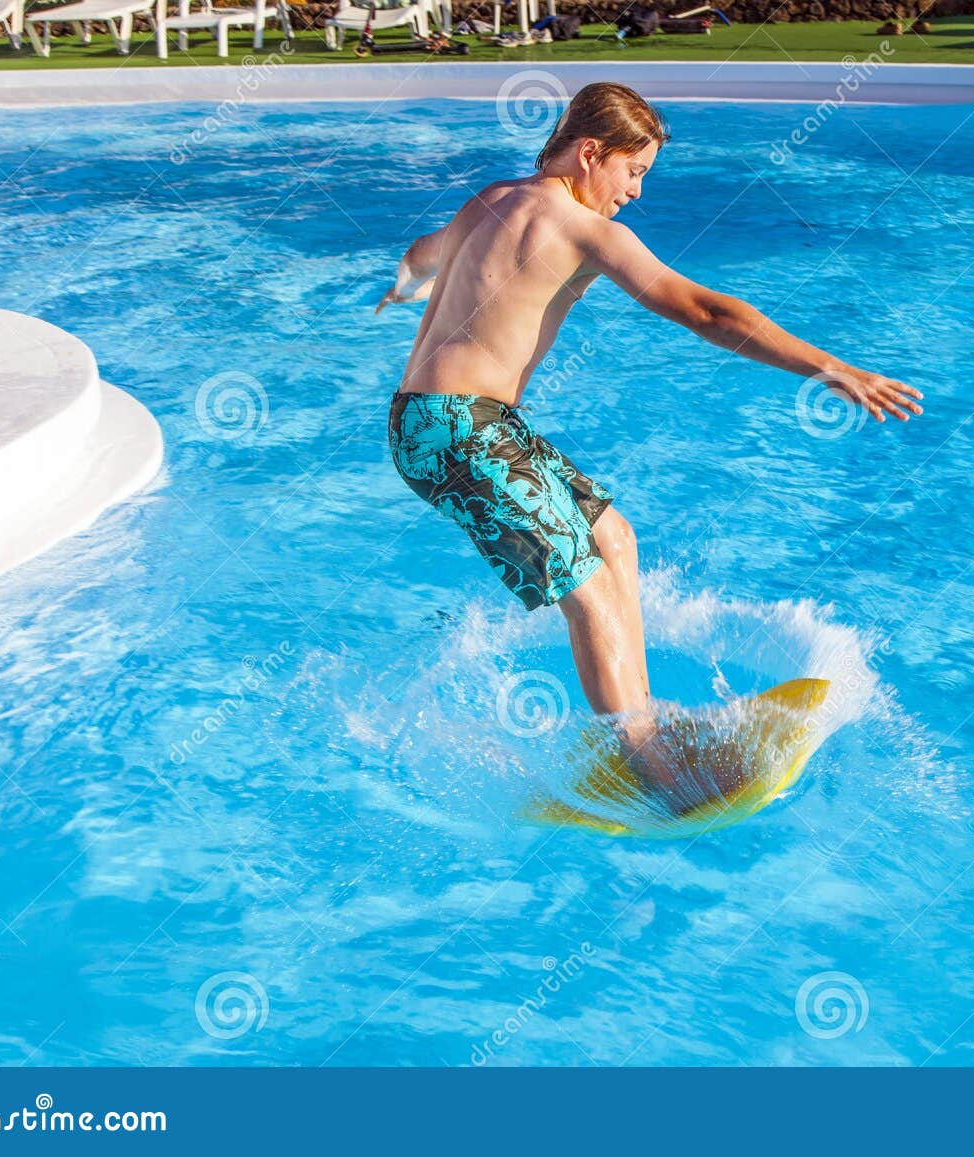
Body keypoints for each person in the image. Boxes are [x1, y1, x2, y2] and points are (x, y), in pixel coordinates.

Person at [380, 82, 922, 790]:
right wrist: (831, 368)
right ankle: (655, 768)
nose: (635, 192)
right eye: (632, 171)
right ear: (590, 152)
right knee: (588, 588)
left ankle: (644, 721)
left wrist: (405, 287)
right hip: (458, 429)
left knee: (614, 538)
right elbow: (705, 312)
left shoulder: (490, 199)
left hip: (447, 420)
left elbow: (423, 254)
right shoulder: (583, 229)